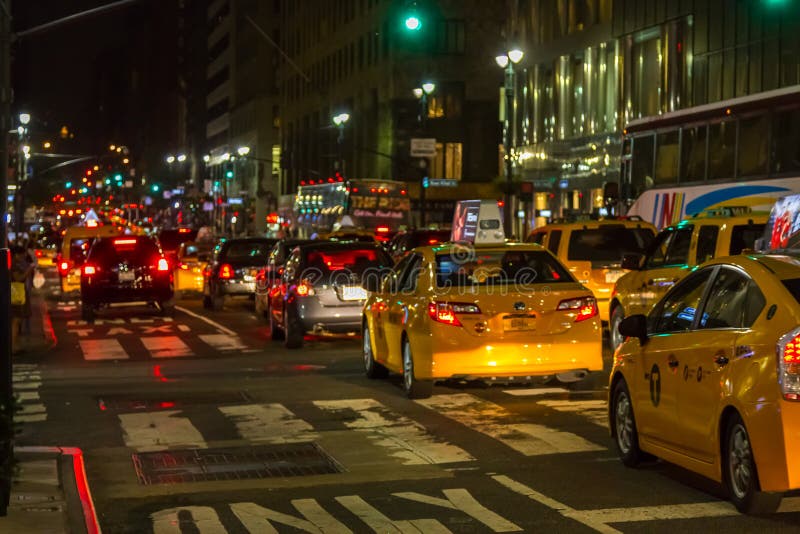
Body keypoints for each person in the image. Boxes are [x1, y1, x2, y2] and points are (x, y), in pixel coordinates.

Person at [10, 245, 35, 354]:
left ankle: (15, 345)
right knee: (16, 320)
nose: (23, 257)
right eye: (22, 255)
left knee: (17, 320)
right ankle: (13, 346)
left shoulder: (15, 264)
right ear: (17, 255)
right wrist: (29, 270)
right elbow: (18, 278)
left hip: (16, 294)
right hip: (16, 295)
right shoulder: (14, 265)